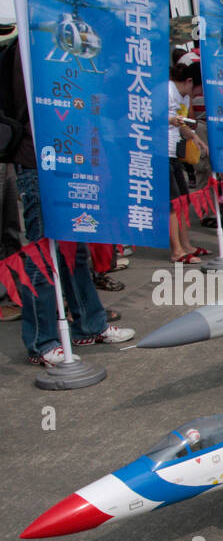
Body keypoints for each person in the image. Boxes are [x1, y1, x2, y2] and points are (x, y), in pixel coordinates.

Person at [0, 24, 132, 365]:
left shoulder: (71, 45)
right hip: (41, 162)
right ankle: (42, 342)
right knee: (43, 255)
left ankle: (90, 323)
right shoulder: (30, 47)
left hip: (76, 158)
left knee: (77, 251)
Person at [168, 61, 209, 263]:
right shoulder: (166, 91)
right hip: (161, 154)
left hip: (175, 153)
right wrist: (170, 120)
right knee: (173, 204)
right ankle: (177, 250)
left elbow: (181, 124)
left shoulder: (182, 96)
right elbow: (148, 116)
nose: (199, 93)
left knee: (183, 201)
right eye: (200, 88)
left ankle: (186, 245)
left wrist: (195, 138)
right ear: (190, 81)